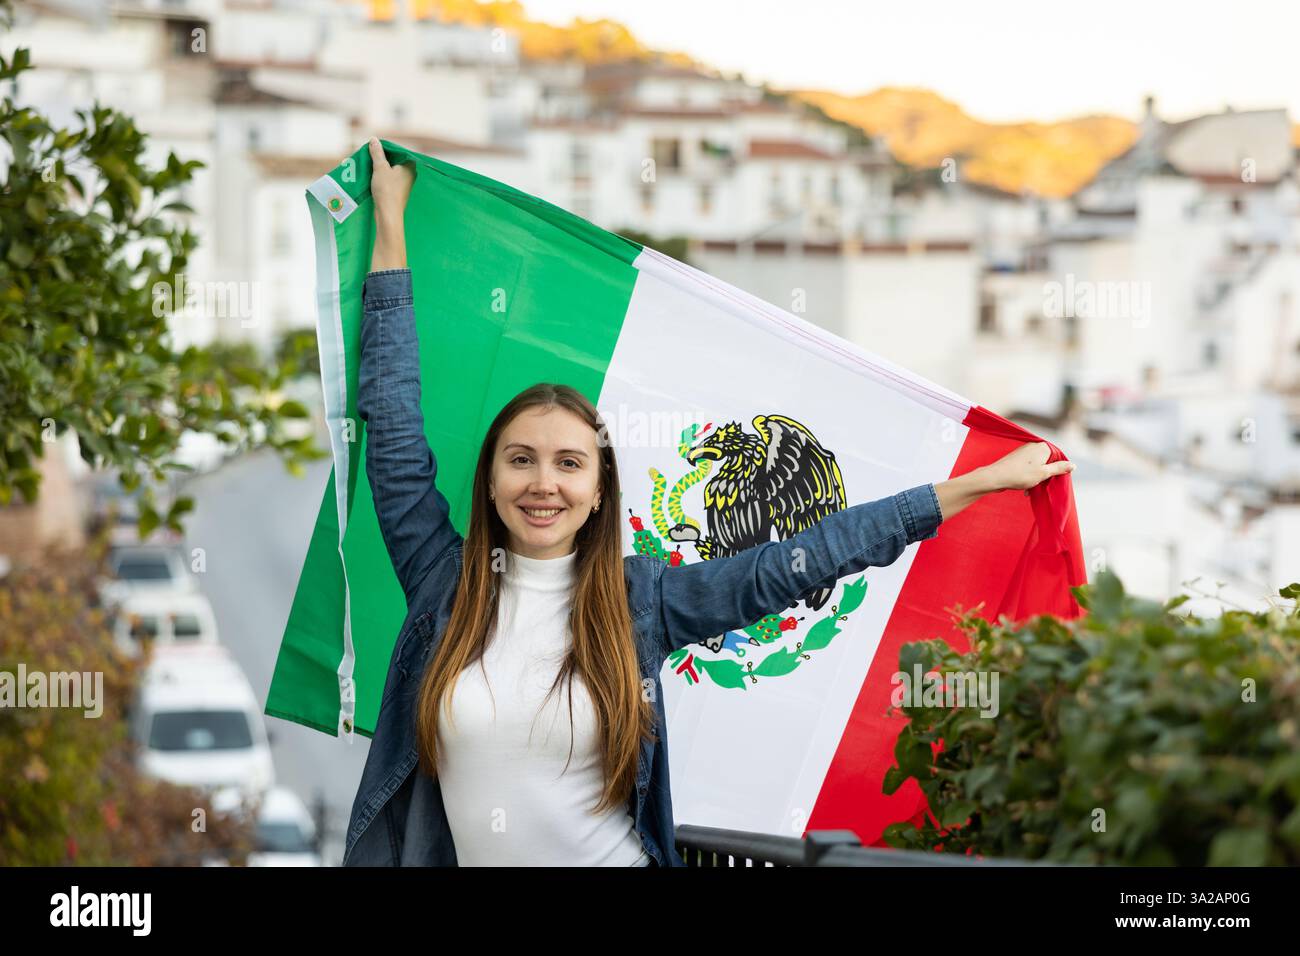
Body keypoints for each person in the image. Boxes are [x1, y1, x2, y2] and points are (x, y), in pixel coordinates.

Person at [342, 137, 1076, 867]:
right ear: (492, 481)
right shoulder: (445, 584)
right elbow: (394, 427)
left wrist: (975, 485)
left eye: (569, 464)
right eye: (521, 460)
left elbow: (798, 562)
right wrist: (392, 226)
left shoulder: (640, 600)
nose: (543, 483)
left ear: (599, 493)